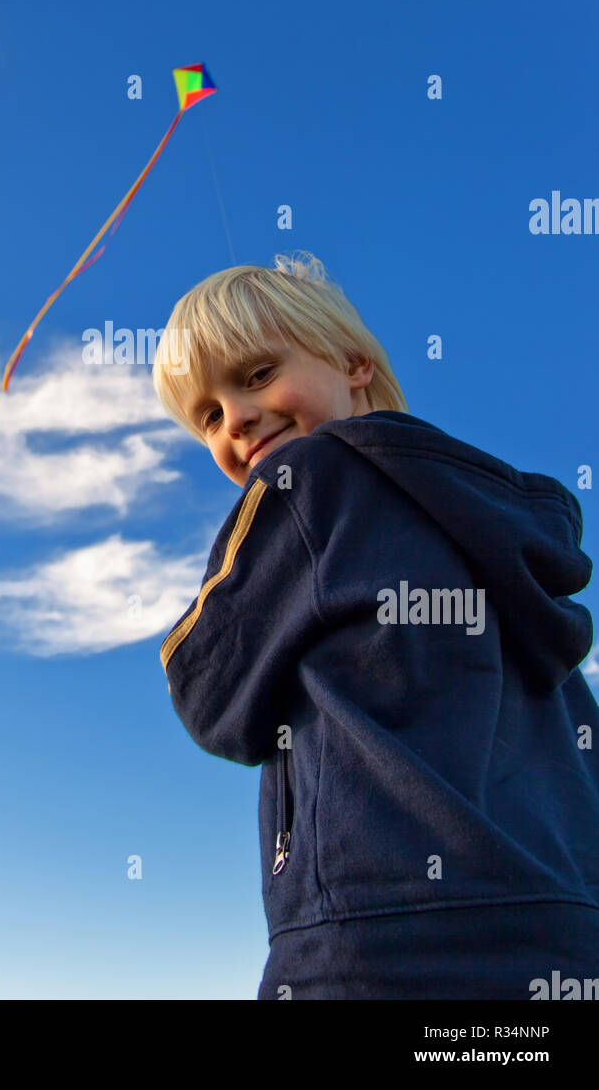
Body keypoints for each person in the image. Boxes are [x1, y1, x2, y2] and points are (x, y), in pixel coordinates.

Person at [152, 251, 599, 1000]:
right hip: (565, 940)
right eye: (209, 416)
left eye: (257, 376)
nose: (238, 421)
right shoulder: (502, 521)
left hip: (374, 941)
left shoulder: (309, 487)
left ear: (356, 363)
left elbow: (208, 694)